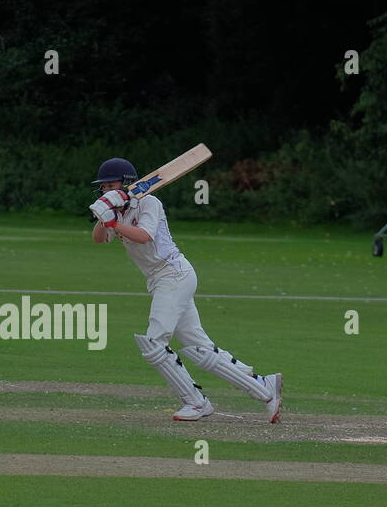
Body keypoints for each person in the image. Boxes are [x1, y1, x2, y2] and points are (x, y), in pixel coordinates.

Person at [87, 157, 282, 422]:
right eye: (104, 187)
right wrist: (104, 217)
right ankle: (264, 387)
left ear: (127, 183)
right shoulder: (118, 210)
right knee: (199, 348)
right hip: (159, 279)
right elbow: (99, 239)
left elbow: (145, 235)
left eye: (111, 185)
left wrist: (113, 223)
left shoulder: (149, 203)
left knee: (154, 343)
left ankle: (196, 402)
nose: (106, 191)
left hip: (174, 273)